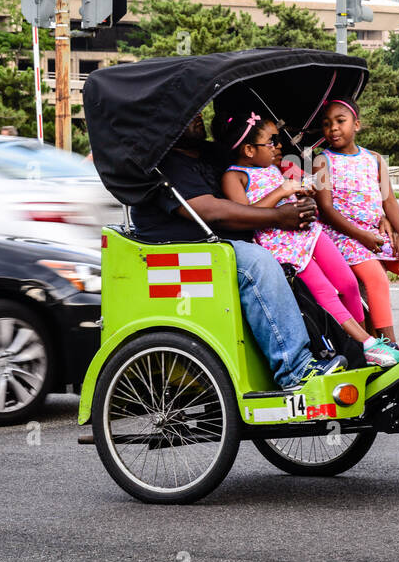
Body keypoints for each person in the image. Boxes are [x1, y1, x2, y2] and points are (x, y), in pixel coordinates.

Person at [128, 112, 346, 390]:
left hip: (223, 247)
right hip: (186, 253)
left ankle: (353, 348)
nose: (195, 116)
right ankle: (295, 370)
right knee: (257, 261)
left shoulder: (209, 153)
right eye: (186, 112)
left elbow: (264, 159)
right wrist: (279, 217)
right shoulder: (164, 163)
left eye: (196, 110)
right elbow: (212, 211)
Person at [216, 109, 399, 368]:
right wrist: (283, 189)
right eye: (272, 141)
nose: (279, 145)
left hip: (309, 232)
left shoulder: (272, 168)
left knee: (348, 284)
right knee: (326, 293)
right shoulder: (234, 176)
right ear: (249, 150)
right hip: (284, 246)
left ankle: (366, 346)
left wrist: (304, 193)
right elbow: (247, 216)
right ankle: (366, 345)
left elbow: (291, 198)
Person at [312, 99, 399, 349]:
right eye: (327, 124)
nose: (333, 128)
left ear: (356, 125)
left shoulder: (375, 159)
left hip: (374, 235)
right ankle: (388, 346)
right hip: (346, 237)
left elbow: (388, 201)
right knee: (377, 279)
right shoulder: (321, 161)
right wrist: (361, 236)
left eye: (340, 121)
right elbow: (325, 209)